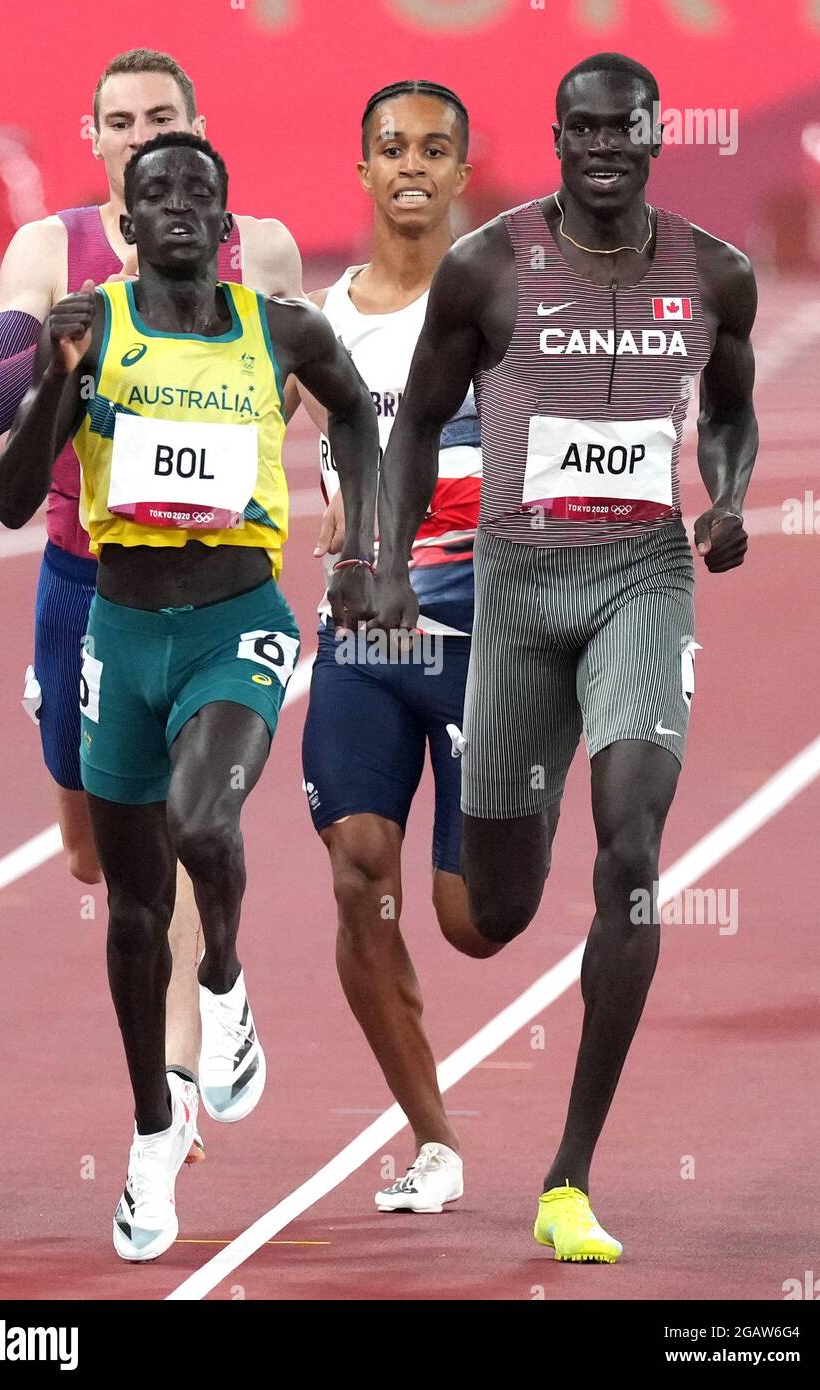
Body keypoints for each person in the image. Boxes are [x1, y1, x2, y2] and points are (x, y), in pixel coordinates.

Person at [373, 52, 757, 1261]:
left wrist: (728, 492)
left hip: (642, 580)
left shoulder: (714, 272)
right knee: (493, 908)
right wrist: (386, 557)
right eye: (580, 130)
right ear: (554, 138)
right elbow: (418, 417)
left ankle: (567, 1175)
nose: (602, 147)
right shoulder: (485, 266)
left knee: (633, 849)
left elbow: (734, 407)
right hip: (518, 593)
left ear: (655, 134)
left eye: (623, 128)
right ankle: (507, 818)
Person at [0, 132, 379, 1261]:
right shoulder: (95, 330)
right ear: (125, 217)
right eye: (148, 190)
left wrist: (374, 549)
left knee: (202, 818)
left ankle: (223, 984)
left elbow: (354, 413)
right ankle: (153, 1140)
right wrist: (56, 385)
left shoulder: (280, 329)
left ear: (221, 223)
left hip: (236, 623)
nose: (168, 205)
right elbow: (16, 502)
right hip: (120, 631)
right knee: (129, 908)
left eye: (192, 193)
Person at [0, 48, 304, 1155]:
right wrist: (49, 354)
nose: (140, 134)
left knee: (189, 825)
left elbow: (308, 379)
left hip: (216, 586)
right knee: (94, 855)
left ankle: (183, 1066)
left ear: (198, 135)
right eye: (120, 121)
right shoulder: (45, 247)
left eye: (162, 117)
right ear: (95, 138)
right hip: (83, 576)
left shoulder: (264, 249)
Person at [300, 81, 488, 1214]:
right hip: (364, 642)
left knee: (472, 922)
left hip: (484, 646)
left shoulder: (503, 312)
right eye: (389, 148)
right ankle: (433, 1137)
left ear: (463, 172)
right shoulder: (319, 324)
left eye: (433, 149)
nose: (409, 165)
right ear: (361, 170)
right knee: (357, 869)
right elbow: (237, 430)